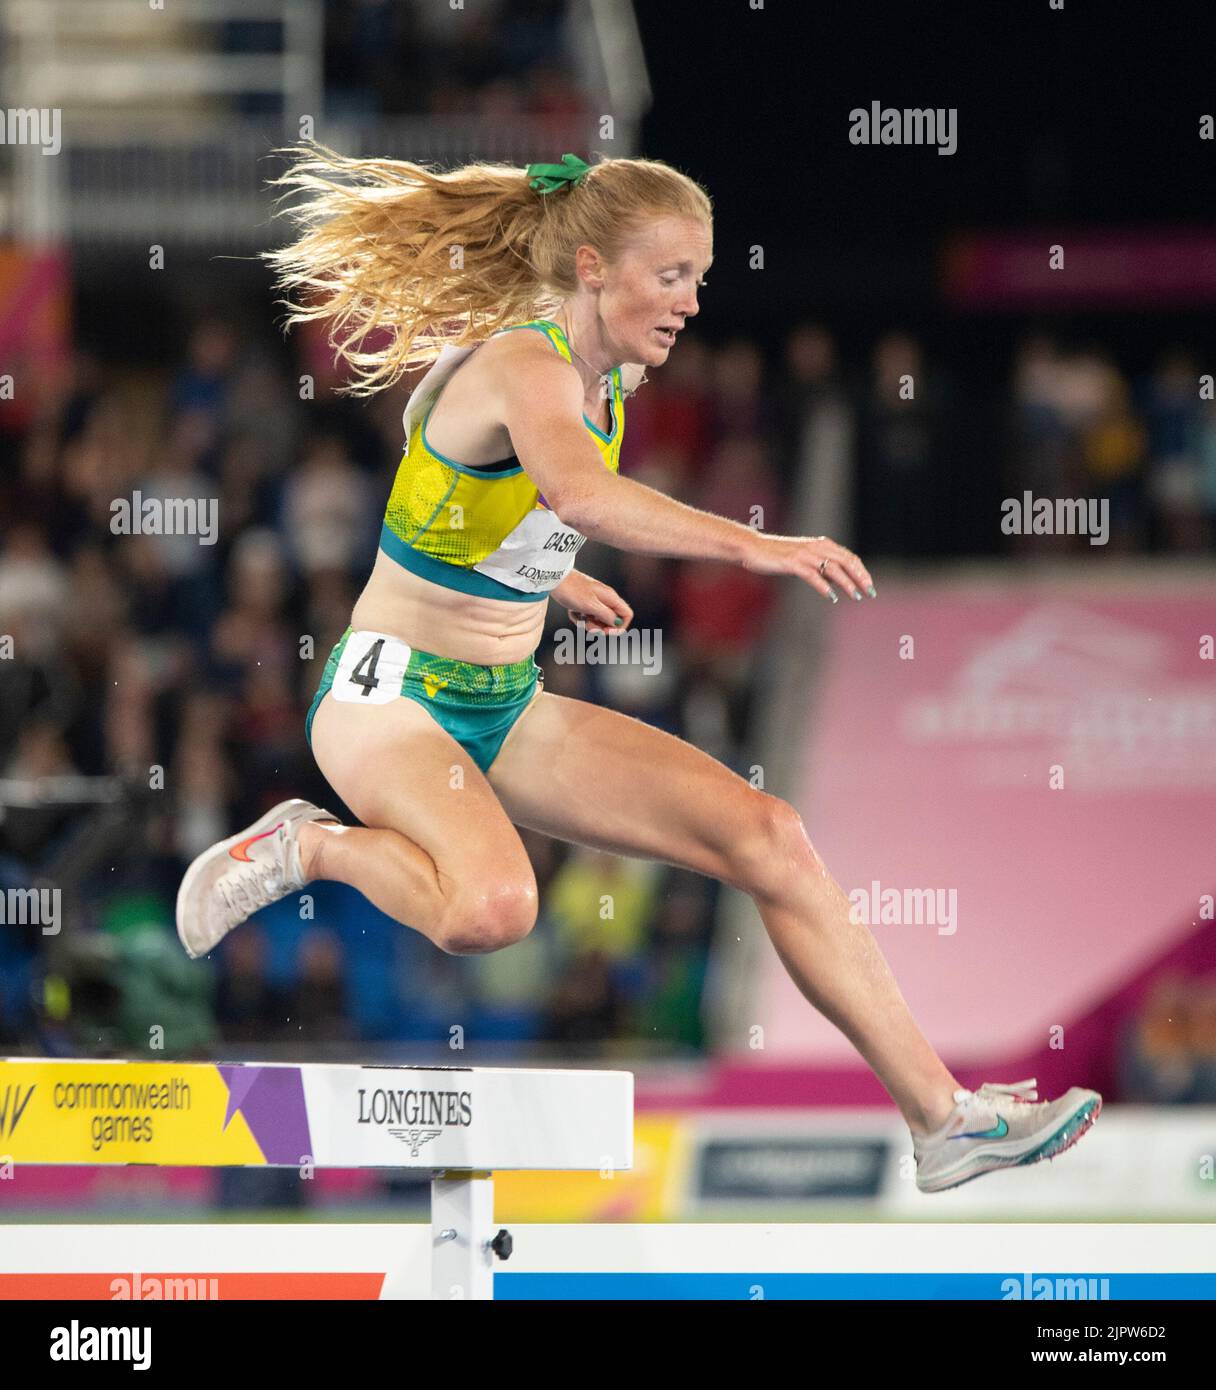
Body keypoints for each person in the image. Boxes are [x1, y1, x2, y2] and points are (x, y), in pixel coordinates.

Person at [176, 147, 1100, 1192]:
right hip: (387, 695)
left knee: (768, 835)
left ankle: (943, 1119)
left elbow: (464, 482)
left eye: (700, 278)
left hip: (504, 703)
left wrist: (533, 580)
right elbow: (576, 496)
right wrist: (755, 544)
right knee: (492, 911)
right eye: (671, 276)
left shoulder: (601, 381)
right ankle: (310, 845)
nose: (690, 302)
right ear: (590, 268)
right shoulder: (525, 363)